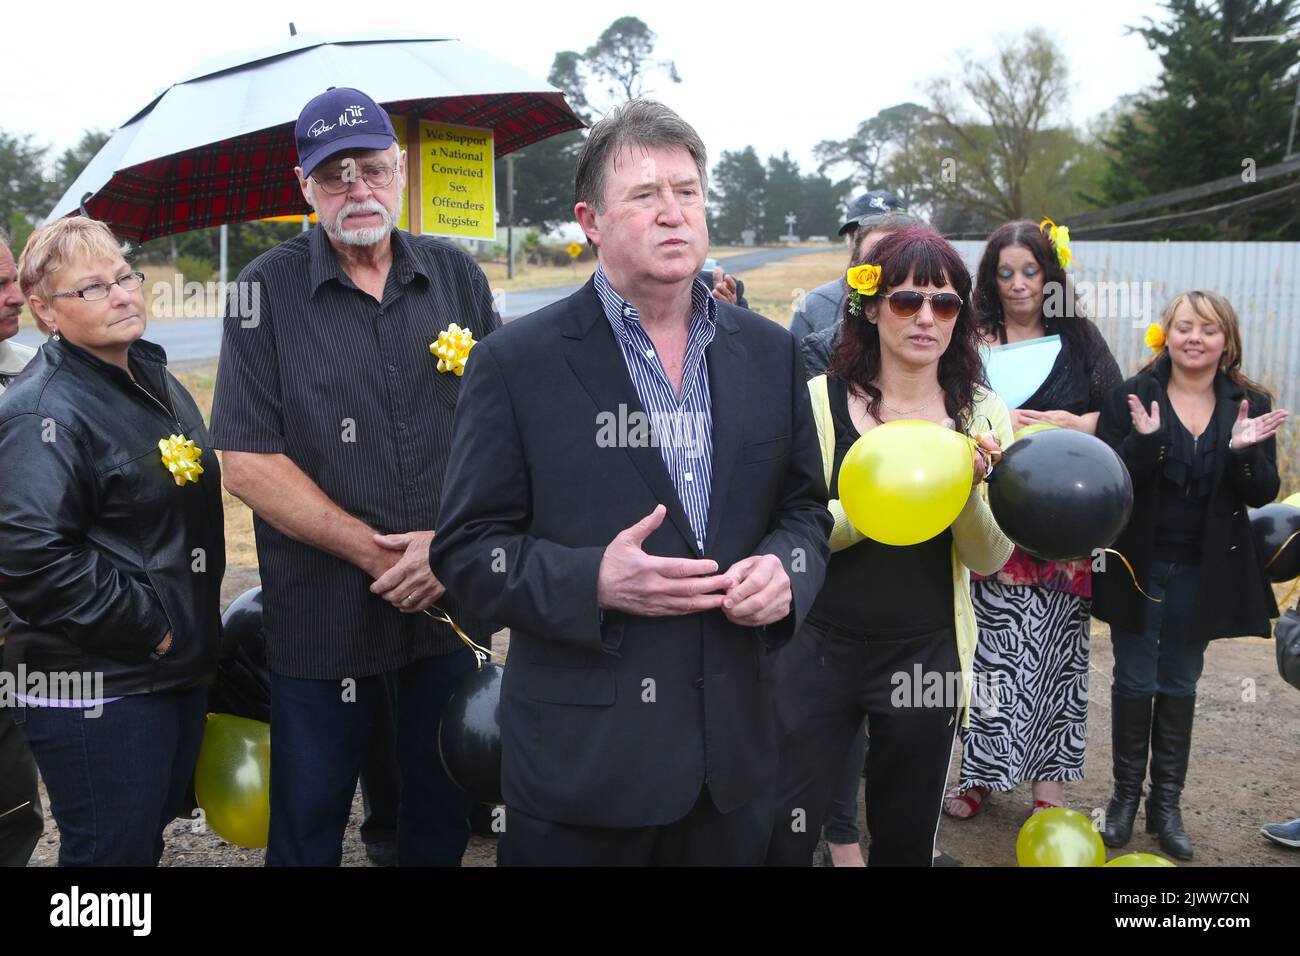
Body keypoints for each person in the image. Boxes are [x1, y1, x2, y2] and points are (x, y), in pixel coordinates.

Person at [428, 99, 832, 866]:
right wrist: (593, 581)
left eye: (687, 192)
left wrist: (787, 572)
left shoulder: (771, 353)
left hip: (734, 768)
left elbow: (805, 512)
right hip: (585, 777)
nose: (672, 213)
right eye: (645, 196)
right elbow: (467, 557)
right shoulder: (517, 365)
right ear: (591, 219)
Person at [209, 87, 501, 867]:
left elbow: (504, 431)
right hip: (323, 617)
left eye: (371, 169)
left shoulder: (455, 275)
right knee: (308, 822)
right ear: (304, 187)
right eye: (334, 176)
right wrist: (376, 554)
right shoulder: (260, 294)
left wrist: (446, 548)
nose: (357, 190)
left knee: (438, 811)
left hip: (446, 605)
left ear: (399, 171)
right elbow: (246, 459)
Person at [764, 225, 1013, 867]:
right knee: (783, 831)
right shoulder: (818, 402)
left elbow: (990, 558)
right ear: (871, 308)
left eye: (946, 302)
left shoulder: (983, 414)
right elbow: (798, 532)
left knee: (905, 840)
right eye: (907, 300)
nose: (926, 317)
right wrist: (891, 496)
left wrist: (965, 490)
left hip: (925, 650)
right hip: (817, 644)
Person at [0, 216, 225, 865]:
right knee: (108, 854)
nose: (124, 294)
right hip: (97, 686)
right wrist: (152, 629)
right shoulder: (42, 412)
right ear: (45, 309)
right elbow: (32, 558)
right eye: (93, 288)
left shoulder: (148, 375)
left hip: (164, 673)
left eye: (125, 276)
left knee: (139, 842)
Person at [1093, 290, 1288, 860]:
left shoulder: (1248, 402)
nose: (1194, 338)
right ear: (1167, 335)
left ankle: (1167, 806)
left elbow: (1261, 492)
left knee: (1179, 681)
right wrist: (1146, 444)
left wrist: (1243, 453)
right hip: (1138, 564)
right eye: (1183, 327)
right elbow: (1111, 483)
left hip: (1206, 570)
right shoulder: (1131, 395)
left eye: (1207, 328)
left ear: (1226, 340)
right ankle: (1125, 800)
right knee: (1134, 679)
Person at [944, 219, 1122, 821]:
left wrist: (1078, 426)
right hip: (996, 524)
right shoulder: (970, 340)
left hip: (1065, 531)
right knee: (991, 656)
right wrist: (999, 426)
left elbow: (1117, 414)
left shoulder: (1081, 341)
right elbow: (945, 411)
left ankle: (1051, 791)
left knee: (1056, 660)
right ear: (991, 279)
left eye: (1030, 270)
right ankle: (979, 777)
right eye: (1006, 272)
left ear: (1050, 276)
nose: (1019, 284)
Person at [0, 232, 42, 867]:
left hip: (14, 628)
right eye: (1, 289)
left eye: (12, 281)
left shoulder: (32, 367)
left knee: (10, 803)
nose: (17, 298)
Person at [801, 211, 920, 377]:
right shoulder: (823, 352)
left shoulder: (947, 344)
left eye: (901, 258)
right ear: (855, 270)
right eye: (875, 260)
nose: (888, 272)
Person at [789, 191, 908, 343]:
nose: (879, 251)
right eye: (858, 236)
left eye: (892, 239)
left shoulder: (934, 303)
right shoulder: (815, 304)